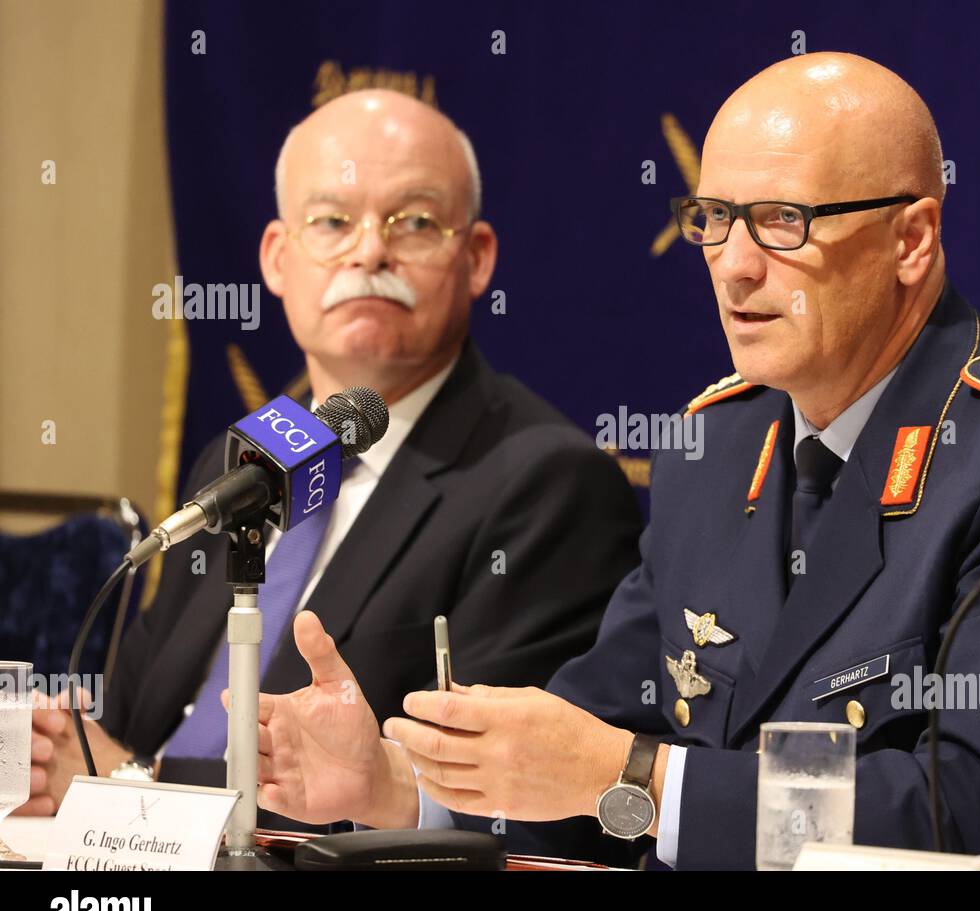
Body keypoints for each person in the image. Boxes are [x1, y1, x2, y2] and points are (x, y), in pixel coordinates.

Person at [236, 54, 980, 867]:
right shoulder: (720, 444)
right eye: (713, 219)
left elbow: (973, 815)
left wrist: (636, 776)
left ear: (912, 239)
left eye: (784, 223)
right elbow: (588, 730)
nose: (734, 265)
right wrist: (397, 784)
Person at [18, 90, 643, 826]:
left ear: (476, 259)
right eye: (332, 222)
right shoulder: (236, 465)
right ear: (278, 259)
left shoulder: (547, 483)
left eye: (413, 222)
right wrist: (59, 757)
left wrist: (122, 787)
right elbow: (125, 722)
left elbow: (496, 803)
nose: (368, 250)